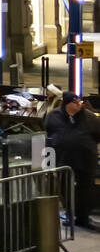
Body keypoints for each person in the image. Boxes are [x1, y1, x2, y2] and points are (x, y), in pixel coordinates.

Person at [45, 92, 100, 229]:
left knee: (85, 188)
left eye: (80, 102)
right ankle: (70, 214)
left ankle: (83, 218)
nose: (79, 104)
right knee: (66, 188)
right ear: (67, 103)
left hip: (85, 159)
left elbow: (98, 135)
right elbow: (48, 132)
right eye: (75, 102)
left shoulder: (90, 117)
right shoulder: (54, 116)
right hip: (64, 159)